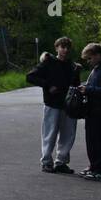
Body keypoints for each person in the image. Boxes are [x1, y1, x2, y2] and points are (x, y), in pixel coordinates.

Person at [26, 38, 80, 173]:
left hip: (68, 105)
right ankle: (46, 161)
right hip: (52, 103)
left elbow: (76, 85)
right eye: (62, 47)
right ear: (56, 48)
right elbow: (30, 77)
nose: (65, 50)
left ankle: (61, 162)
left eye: (67, 47)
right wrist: (48, 85)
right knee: (50, 133)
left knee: (68, 135)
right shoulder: (48, 62)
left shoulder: (72, 66)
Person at [77, 43, 101, 180]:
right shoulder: (95, 71)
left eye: (90, 58)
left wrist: (88, 90)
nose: (88, 61)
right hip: (92, 112)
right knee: (91, 141)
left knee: (100, 142)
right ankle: (94, 166)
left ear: (98, 56)